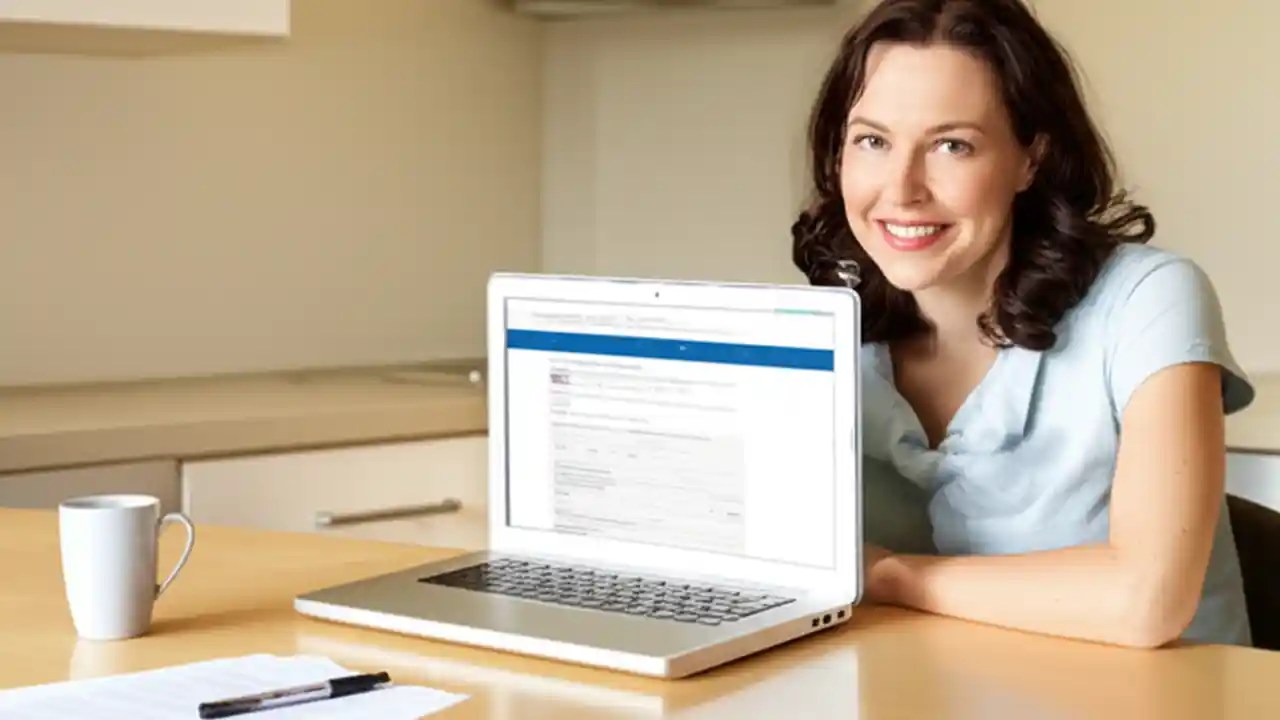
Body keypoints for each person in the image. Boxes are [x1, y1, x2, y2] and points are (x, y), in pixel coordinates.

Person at [791, 0, 1255, 648]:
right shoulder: (828, 326)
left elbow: (1146, 603)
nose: (901, 189)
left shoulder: (1150, 299)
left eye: (952, 145)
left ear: (1030, 157)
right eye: (873, 140)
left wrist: (889, 576)